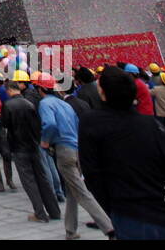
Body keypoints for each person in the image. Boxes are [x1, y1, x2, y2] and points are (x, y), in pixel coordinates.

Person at [79, 67, 165, 239]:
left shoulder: (91, 123)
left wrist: (113, 209)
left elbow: (92, 175)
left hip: (129, 216)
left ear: (104, 94)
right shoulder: (152, 125)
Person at [37, 74, 113, 240]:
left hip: (64, 150)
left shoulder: (45, 103)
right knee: (72, 192)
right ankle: (70, 231)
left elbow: (49, 124)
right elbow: (77, 124)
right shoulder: (64, 104)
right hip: (77, 148)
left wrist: (45, 141)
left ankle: (110, 228)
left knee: (82, 193)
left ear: (40, 88)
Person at [2, 72, 60, 224]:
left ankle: (40, 213)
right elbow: (37, 126)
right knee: (42, 178)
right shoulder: (30, 104)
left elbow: (5, 125)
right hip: (34, 145)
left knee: (29, 181)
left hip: (19, 148)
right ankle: (54, 211)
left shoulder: (8, 105)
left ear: (9, 90)